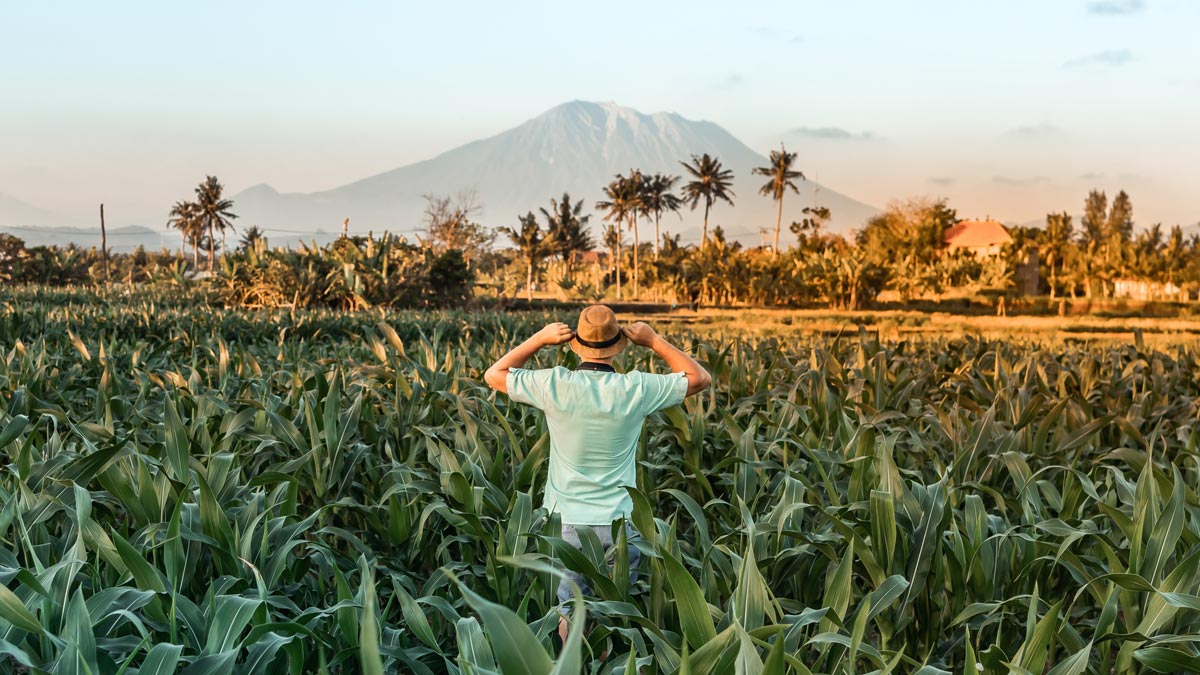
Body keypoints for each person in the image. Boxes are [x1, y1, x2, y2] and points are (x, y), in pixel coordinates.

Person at [483, 304, 711, 644]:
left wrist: (540, 338)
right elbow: (700, 378)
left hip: (567, 523)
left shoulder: (554, 384)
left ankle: (573, 663)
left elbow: (493, 374)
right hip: (620, 524)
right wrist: (653, 340)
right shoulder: (636, 388)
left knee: (570, 614)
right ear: (618, 345)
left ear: (576, 344)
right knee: (614, 617)